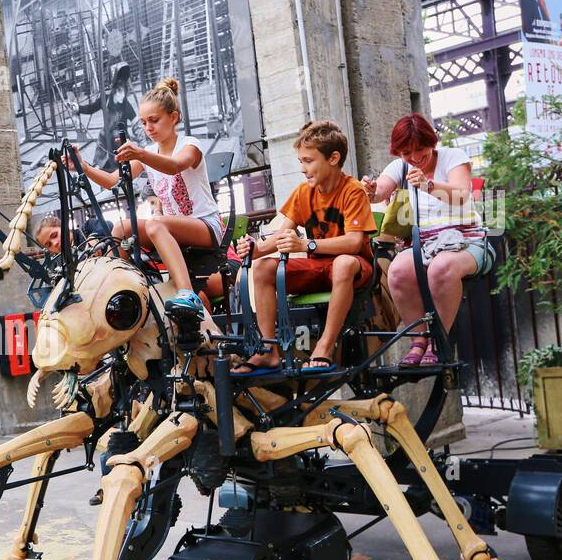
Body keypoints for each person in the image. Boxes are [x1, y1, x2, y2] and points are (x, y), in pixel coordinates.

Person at [67, 77, 224, 321]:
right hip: (173, 228)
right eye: (143, 123)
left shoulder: (190, 145)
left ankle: (188, 293)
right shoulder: (149, 153)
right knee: (120, 228)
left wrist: (139, 153)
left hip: (206, 226)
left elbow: (174, 166)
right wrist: (83, 166)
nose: (148, 128)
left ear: (173, 118)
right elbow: (111, 181)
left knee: (155, 222)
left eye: (154, 120)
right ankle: (118, 289)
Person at [234, 119, 375, 373]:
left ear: (333, 158)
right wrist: (256, 249)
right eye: (301, 161)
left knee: (343, 263)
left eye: (308, 161)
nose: (302, 168)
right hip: (318, 267)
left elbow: (354, 243)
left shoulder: (353, 191)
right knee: (262, 268)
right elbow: (283, 232)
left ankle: (324, 347)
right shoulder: (303, 192)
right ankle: (269, 350)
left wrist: (306, 244)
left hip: (354, 269)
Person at [362, 113, 489, 366]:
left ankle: (438, 339)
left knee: (441, 268)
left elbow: (463, 194)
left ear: (432, 142)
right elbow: (380, 192)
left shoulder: (453, 157)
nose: (415, 157)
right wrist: (370, 190)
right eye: (407, 152)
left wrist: (428, 185)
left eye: (420, 149)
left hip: (466, 239)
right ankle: (418, 340)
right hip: (425, 243)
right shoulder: (400, 166)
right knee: (397, 271)